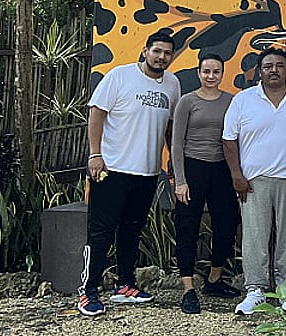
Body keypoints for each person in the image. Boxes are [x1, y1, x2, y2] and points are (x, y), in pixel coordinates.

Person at [78, 31, 181, 316]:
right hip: (111, 169)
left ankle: (125, 285)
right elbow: (96, 114)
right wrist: (95, 155)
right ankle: (88, 291)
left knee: (132, 230)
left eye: (167, 53)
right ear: (145, 51)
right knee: (100, 233)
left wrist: (172, 157)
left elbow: (170, 126)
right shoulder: (119, 76)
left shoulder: (172, 85)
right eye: (157, 51)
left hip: (147, 172)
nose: (161, 57)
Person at [223, 47, 286, 315]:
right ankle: (256, 289)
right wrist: (236, 175)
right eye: (268, 66)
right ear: (259, 71)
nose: (273, 69)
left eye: (279, 65)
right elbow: (229, 139)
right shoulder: (243, 100)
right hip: (254, 180)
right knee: (255, 235)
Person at [172, 52, 241, 314]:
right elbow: (177, 143)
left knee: (226, 223)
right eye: (206, 72)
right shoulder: (187, 102)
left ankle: (214, 279)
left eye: (216, 72)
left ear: (222, 74)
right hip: (193, 167)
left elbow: (236, 137)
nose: (211, 76)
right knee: (187, 225)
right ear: (199, 73)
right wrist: (180, 180)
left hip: (221, 169)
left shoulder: (231, 101)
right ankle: (188, 288)